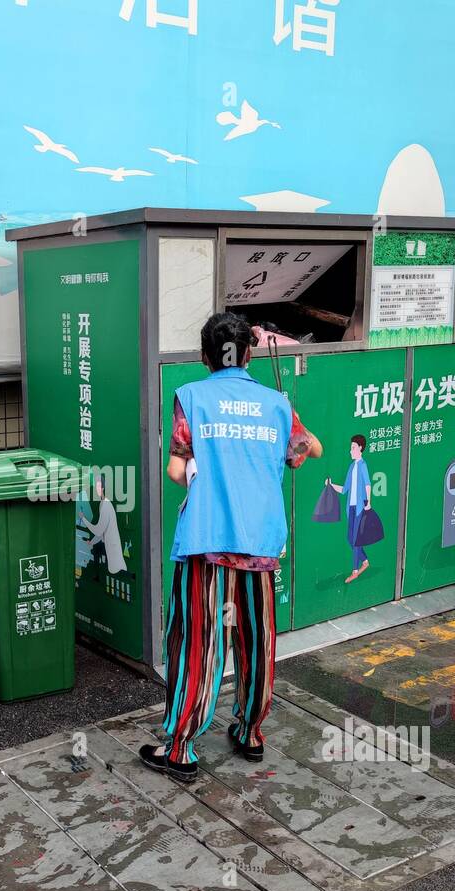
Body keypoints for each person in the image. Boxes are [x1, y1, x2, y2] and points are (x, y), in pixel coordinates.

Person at [141, 311, 321, 783]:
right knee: (256, 639)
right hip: (259, 543)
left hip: (207, 540)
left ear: (205, 356)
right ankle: (250, 732)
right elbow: (302, 453)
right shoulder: (276, 404)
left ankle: (181, 748)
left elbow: (177, 472)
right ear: (250, 353)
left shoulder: (192, 398)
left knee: (198, 640)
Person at [326, 434, 372, 583]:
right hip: (350, 508)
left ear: (360, 448)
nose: (350, 451)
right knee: (350, 538)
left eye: (353, 448)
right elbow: (345, 489)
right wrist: (331, 486)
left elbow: (367, 485)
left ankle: (355, 571)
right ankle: (364, 561)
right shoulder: (352, 467)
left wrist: (368, 503)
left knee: (356, 540)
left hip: (359, 507)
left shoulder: (363, 466)